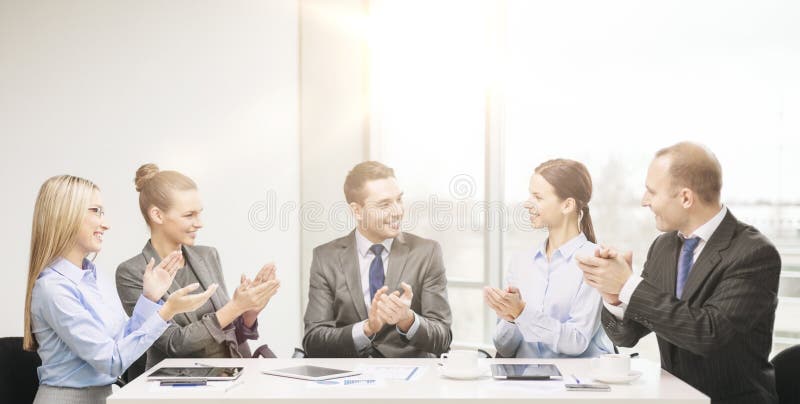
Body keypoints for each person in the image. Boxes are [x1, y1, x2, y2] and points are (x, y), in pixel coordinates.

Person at [577, 142, 781, 404]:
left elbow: (708, 334)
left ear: (685, 198)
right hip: (672, 398)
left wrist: (628, 284)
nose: (644, 201)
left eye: (652, 192)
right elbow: (627, 336)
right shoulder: (663, 247)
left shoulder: (754, 253)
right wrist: (615, 296)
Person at [23, 175, 216, 404]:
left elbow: (121, 343)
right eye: (96, 211)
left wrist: (150, 298)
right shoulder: (53, 289)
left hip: (104, 396)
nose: (106, 224)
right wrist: (166, 312)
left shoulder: (95, 277)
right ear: (64, 215)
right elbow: (112, 361)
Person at [116, 164, 280, 376]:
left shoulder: (207, 255)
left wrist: (248, 312)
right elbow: (174, 343)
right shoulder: (132, 272)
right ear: (157, 215)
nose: (199, 223)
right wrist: (235, 307)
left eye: (199, 214)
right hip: (180, 385)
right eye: (189, 215)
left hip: (232, 378)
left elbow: (228, 335)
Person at [303, 161, 452, 357]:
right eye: (384, 204)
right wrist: (367, 328)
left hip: (408, 374)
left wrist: (408, 320)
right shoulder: (325, 258)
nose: (398, 211)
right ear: (357, 211)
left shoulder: (427, 253)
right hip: (350, 373)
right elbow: (313, 341)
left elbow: (443, 340)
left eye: (399, 200)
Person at [485, 159, 614, 358]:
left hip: (574, 377)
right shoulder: (521, 262)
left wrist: (522, 313)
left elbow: (577, 341)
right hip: (524, 377)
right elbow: (505, 348)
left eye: (537, 197)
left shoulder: (595, 262)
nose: (527, 203)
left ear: (567, 205)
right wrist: (510, 319)